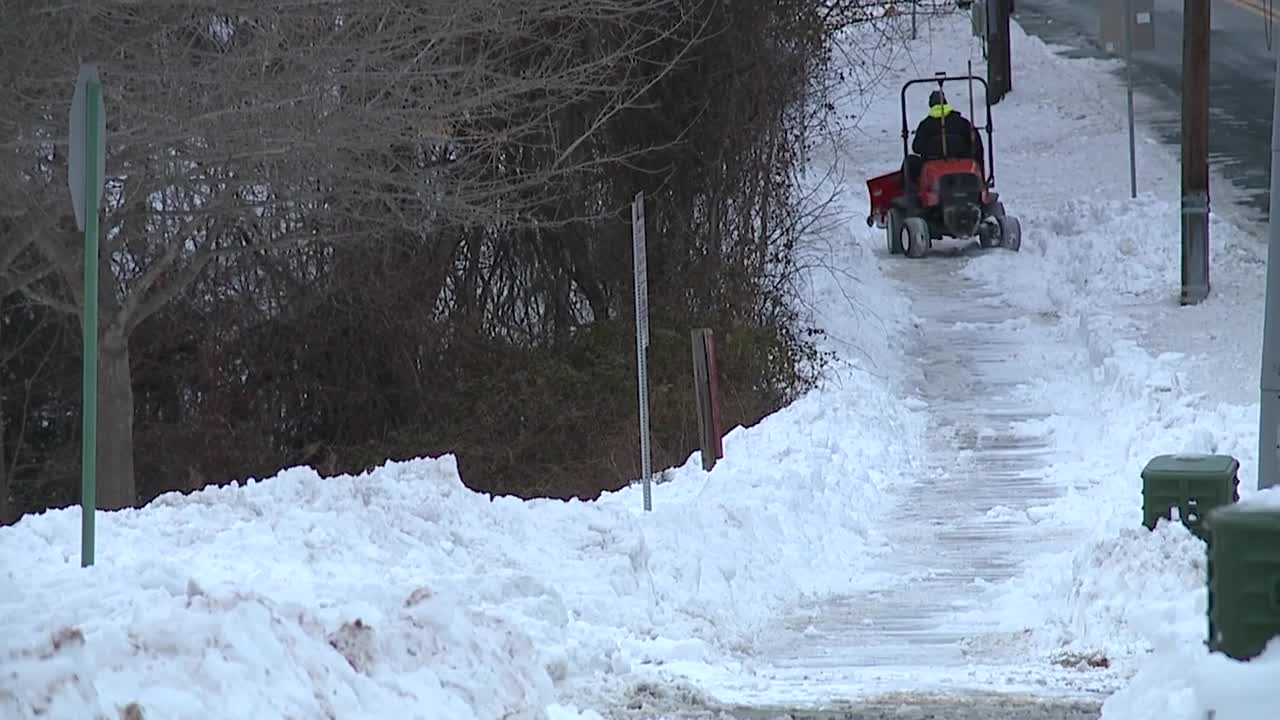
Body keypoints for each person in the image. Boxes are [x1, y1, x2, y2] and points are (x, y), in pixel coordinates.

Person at [904, 90, 984, 185]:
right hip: (963, 167)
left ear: (931, 105)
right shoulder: (963, 123)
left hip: (933, 167)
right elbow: (976, 145)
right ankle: (980, 183)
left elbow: (916, 147)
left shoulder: (925, 125)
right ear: (946, 102)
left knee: (909, 162)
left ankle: (910, 191)